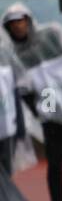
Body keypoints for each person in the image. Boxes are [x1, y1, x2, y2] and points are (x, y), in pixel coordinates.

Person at [2, 3, 62, 201]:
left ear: (29, 20)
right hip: (50, 105)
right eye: (13, 23)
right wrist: (43, 110)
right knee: (55, 162)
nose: (18, 26)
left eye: (21, 21)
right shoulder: (14, 53)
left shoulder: (52, 33)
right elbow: (26, 87)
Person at [0, 41, 23, 177]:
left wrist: (20, 125)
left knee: (6, 171)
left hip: (6, 129)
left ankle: (6, 198)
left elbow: (15, 94)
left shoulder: (5, 58)